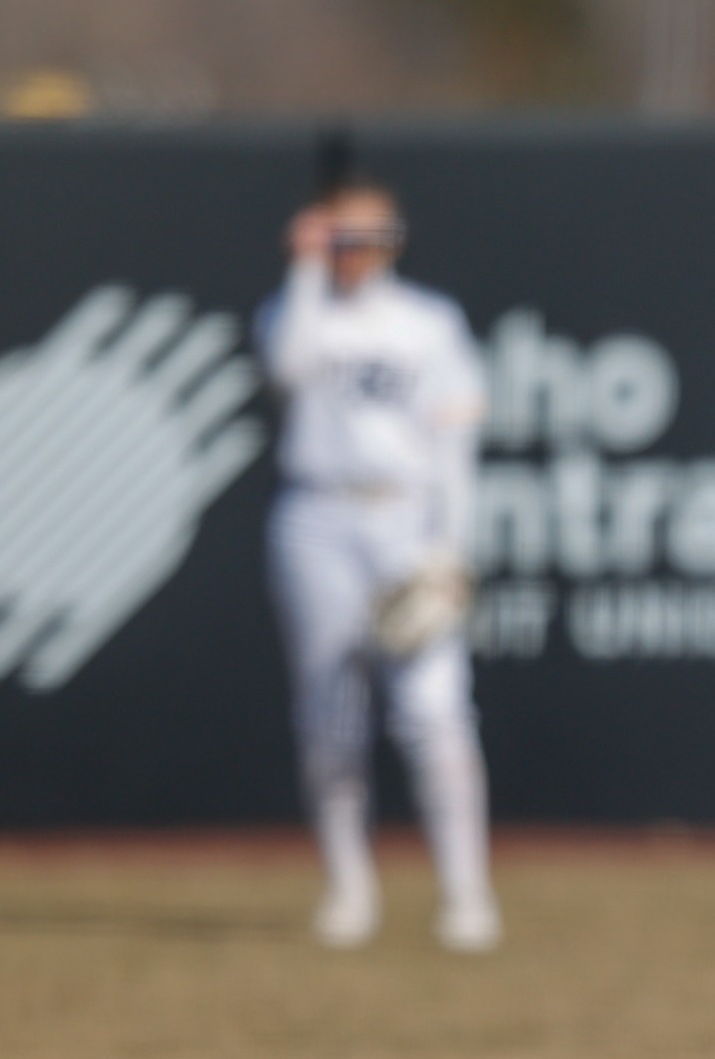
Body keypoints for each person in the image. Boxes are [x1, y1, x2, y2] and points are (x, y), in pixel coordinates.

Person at [256, 180, 500, 953]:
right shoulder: (298, 311)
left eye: (363, 236)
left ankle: (467, 893)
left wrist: (449, 550)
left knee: (434, 709)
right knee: (330, 712)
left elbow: (455, 449)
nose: (349, 251)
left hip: (405, 517)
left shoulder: (428, 321)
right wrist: (301, 269)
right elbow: (287, 369)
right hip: (317, 513)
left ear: (392, 239)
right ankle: (348, 886)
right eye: (337, 237)